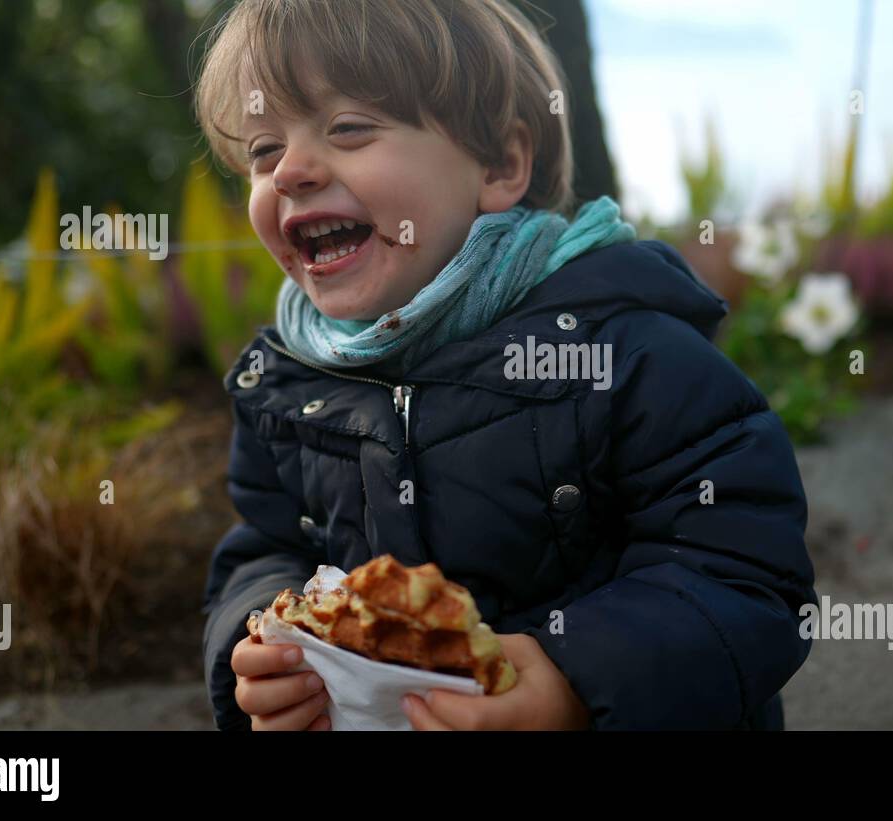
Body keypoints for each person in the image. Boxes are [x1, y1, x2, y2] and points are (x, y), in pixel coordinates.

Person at [196, 0, 816, 731]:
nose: (291, 170)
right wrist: (256, 645)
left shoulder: (624, 354)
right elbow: (267, 549)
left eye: (348, 128)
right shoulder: (288, 387)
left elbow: (744, 574)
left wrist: (577, 677)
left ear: (500, 166)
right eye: (263, 151)